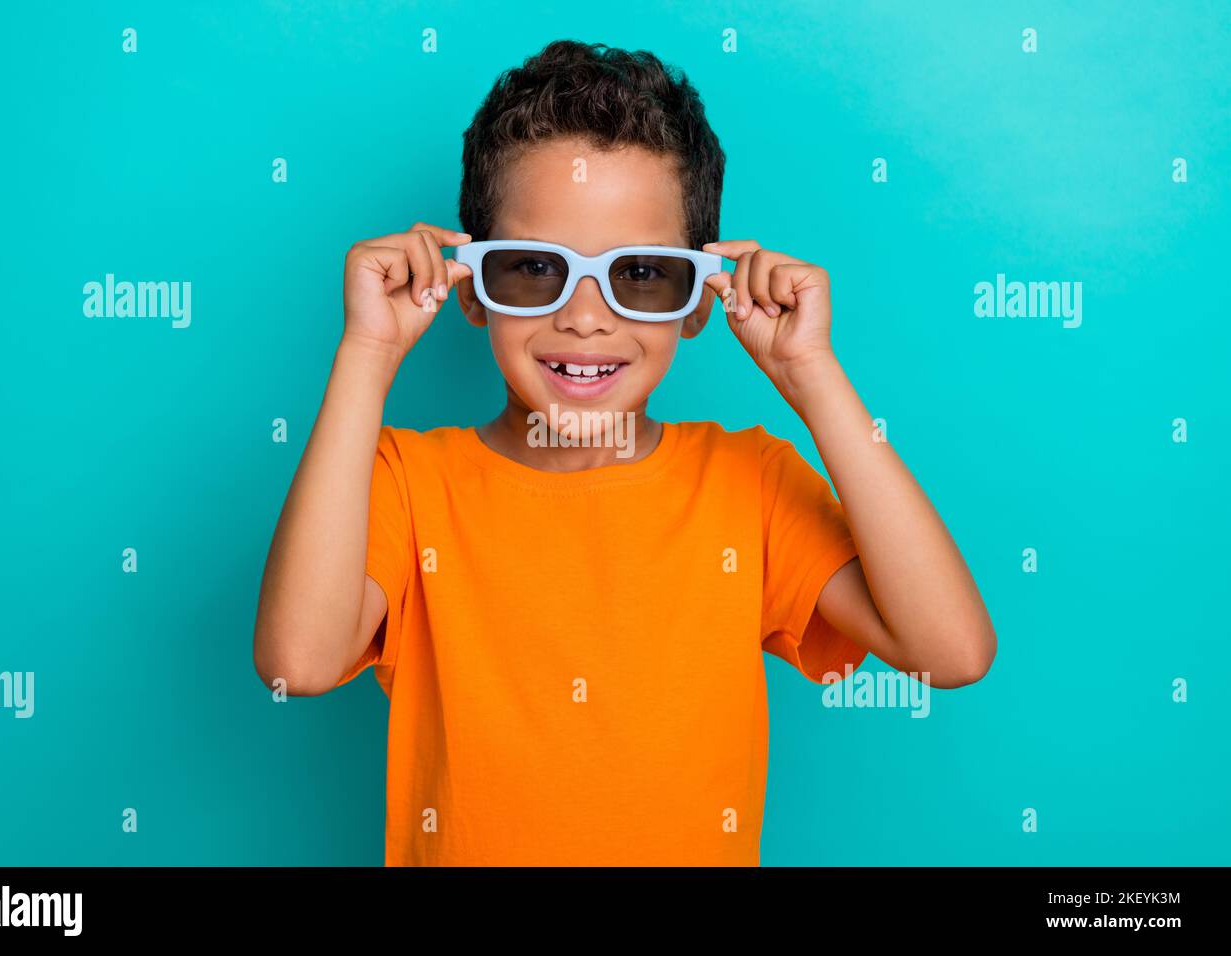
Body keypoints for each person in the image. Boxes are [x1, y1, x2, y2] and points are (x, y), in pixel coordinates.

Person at [253, 39, 996, 866]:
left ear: (698, 301)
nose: (584, 316)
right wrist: (367, 355)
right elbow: (300, 661)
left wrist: (810, 375)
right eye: (534, 268)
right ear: (470, 286)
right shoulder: (405, 482)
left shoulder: (746, 483)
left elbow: (950, 652)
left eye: (639, 274)